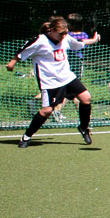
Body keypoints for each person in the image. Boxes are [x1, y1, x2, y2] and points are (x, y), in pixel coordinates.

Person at [6, 16, 101, 148]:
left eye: (65, 33)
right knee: (46, 111)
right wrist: (11, 64)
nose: (63, 36)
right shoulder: (40, 41)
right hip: (50, 82)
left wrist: (94, 40)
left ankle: (83, 128)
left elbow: (78, 43)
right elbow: (22, 52)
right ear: (51, 30)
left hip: (67, 77)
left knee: (86, 98)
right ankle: (26, 136)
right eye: (61, 34)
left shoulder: (65, 38)